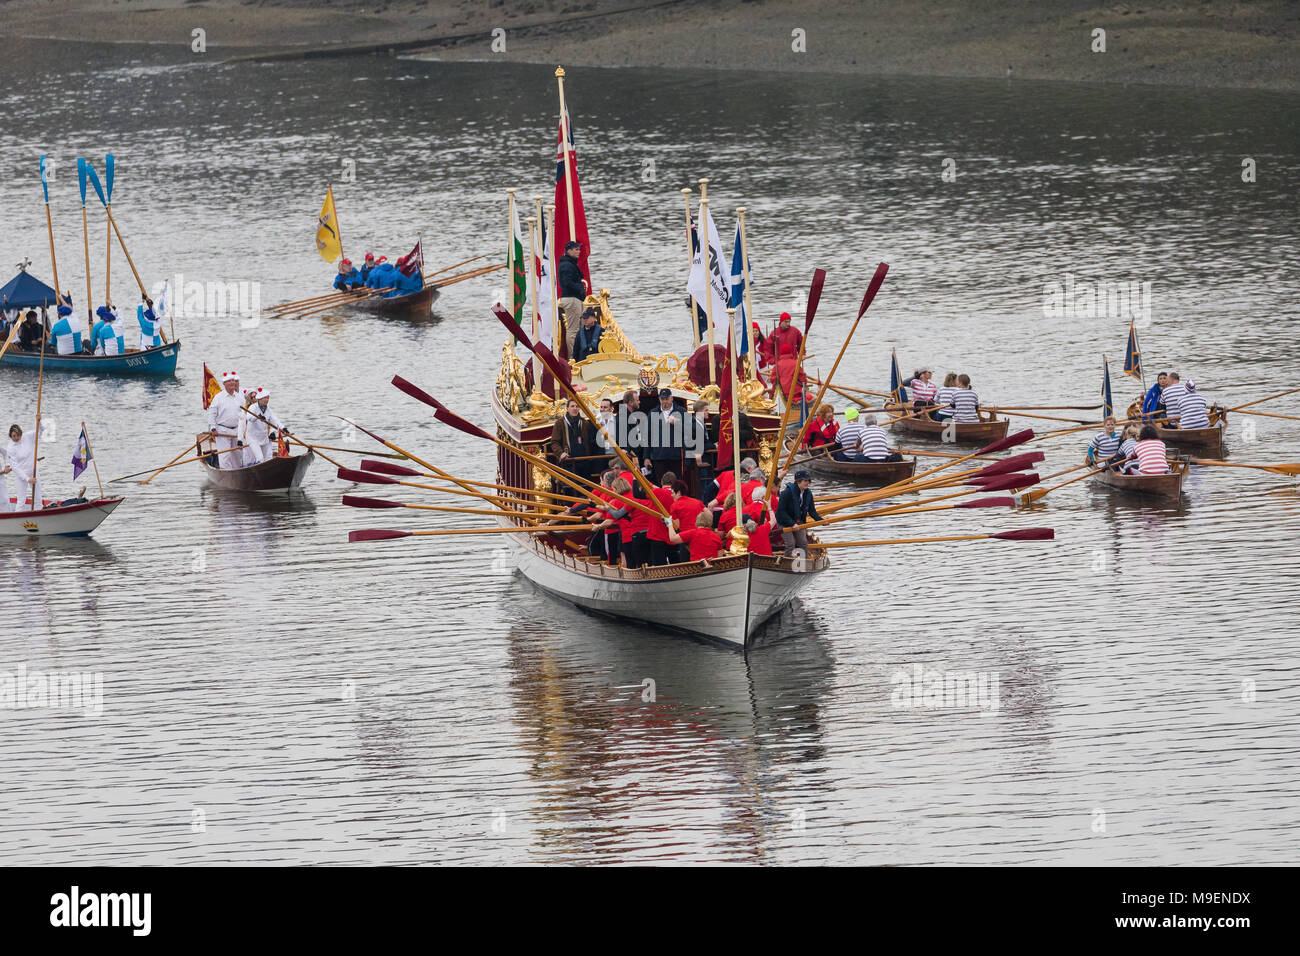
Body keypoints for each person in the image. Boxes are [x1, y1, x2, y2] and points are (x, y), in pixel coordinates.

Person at [645, 387, 688, 483]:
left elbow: (690, 431)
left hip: (676, 455)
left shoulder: (681, 411)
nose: (665, 402)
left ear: (671, 398)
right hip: (659, 456)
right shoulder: (653, 413)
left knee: (678, 483)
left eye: (667, 399)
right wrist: (646, 457)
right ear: (659, 399)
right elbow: (647, 436)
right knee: (661, 483)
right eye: (662, 399)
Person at [206, 370, 247, 469]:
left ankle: (238, 472)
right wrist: (213, 428)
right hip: (222, 431)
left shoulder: (240, 397)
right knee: (225, 455)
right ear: (224, 384)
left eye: (233, 381)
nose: (232, 383)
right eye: (229, 381)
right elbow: (212, 413)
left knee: (238, 454)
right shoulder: (218, 397)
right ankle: (226, 473)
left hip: (237, 430)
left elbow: (244, 413)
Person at [548, 399, 596, 484]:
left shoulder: (584, 423)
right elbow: (554, 442)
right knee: (572, 487)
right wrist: (560, 453)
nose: (575, 408)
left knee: (586, 486)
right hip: (569, 462)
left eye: (577, 406)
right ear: (567, 409)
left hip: (584, 461)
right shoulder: (560, 423)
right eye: (572, 406)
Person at [776, 470, 821, 554]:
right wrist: (792, 524)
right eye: (805, 481)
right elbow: (781, 511)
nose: (807, 483)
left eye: (808, 481)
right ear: (798, 481)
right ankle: (788, 563)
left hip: (798, 520)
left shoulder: (808, 493)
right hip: (784, 522)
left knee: (803, 543)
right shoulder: (786, 493)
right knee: (791, 544)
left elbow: (812, 511)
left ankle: (804, 563)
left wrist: (821, 521)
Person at [590, 475, 632, 566]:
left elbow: (610, 520)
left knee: (621, 556)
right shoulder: (633, 496)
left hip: (620, 532)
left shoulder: (616, 501)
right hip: (635, 533)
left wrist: (598, 526)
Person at [556, 241, 587, 357]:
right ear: (568, 251)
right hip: (571, 299)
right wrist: (579, 288)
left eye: (578, 249)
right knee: (573, 330)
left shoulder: (569, 264)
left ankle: (578, 355)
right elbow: (566, 282)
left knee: (579, 328)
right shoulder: (566, 265)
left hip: (574, 299)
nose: (578, 251)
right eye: (576, 249)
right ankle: (573, 357)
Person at [240, 387, 285, 465]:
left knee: (268, 459)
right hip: (253, 438)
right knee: (260, 459)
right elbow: (249, 417)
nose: (267, 400)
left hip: (264, 437)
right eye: (265, 398)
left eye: (268, 398)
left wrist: (282, 428)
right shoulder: (252, 407)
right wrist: (257, 417)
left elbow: (275, 420)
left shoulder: (268, 409)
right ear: (260, 399)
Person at [4, 421, 41, 510]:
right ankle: (17, 520)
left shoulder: (27, 436)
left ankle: (38, 518)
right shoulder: (10, 448)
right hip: (21, 475)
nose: (16, 438)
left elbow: (39, 432)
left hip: (33, 472)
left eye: (18, 435)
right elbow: (15, 468)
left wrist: (39, 421)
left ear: (21, 434)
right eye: (13, 436)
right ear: (10, 436)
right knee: (21, 500)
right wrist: (28, 479)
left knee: (38, 499)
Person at [645, 471, 679, 566]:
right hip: (673, 534)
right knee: (676, 565)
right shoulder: (677, 495)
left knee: (659, 567)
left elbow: (639, 493)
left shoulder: (656, 492)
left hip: (657, 534)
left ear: (661, 481)